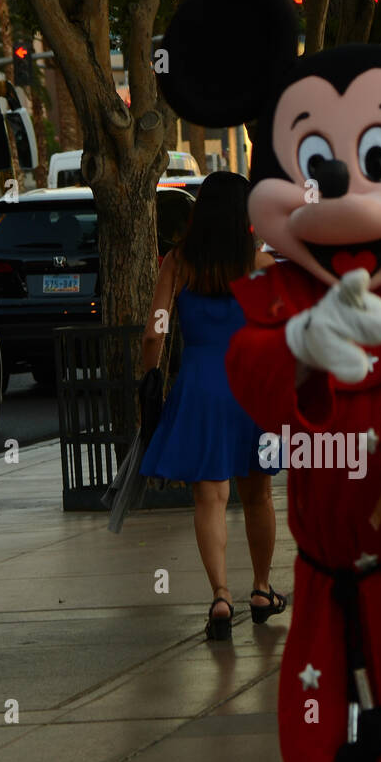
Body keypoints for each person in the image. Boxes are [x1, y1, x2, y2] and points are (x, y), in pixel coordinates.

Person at [139, 171, 287, 640]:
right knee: (258, 493)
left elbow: (154, 329)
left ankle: (220, 595)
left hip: (200, 386)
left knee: (210, 496)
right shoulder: (261, 265)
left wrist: (150, 375)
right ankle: (261, 589)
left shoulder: (177, 264)